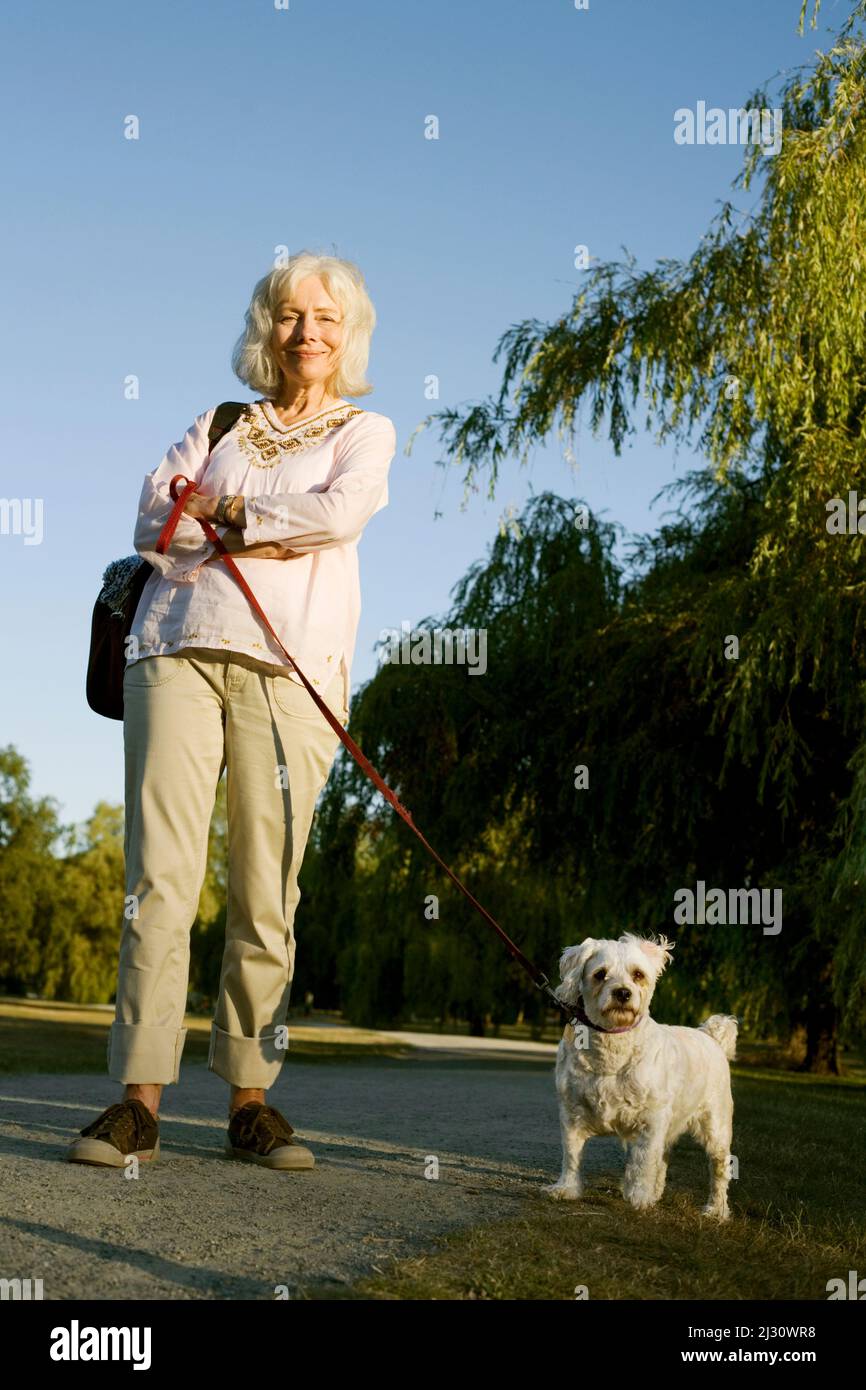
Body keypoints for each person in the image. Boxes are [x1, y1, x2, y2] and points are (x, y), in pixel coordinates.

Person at [68, 252, 396, 1171]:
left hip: (292, 675)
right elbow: (151, 519)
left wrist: (229, 514)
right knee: (158, 880)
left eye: (327, 319)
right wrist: (233, 515)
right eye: (291, 316)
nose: (308, 333)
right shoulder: (219, 421)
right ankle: (138, 1101)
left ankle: (252, 1100)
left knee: (266, 887)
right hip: (171, 652)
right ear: (267, 328)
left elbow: (338, 514)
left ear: (348, 333)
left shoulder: (366, 430)